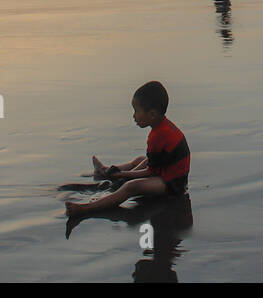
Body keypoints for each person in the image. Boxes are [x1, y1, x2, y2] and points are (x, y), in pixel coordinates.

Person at [67, 81, 190, 215]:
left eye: (137, 111)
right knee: (139, 160)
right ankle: (106, 171)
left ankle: (85, 209)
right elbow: (154, 162)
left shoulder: (158, 136)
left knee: (131, 187)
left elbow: (151, 172)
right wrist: (124, 173)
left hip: (173, 184)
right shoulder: (162, 127)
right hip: (169, 170)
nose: (133, 116)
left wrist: (123, 175)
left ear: (152, 114)